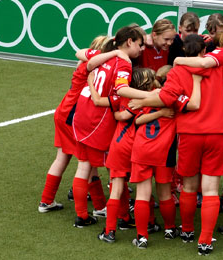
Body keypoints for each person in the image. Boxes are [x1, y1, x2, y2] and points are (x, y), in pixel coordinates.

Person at [129, 34, 223, 256]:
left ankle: (187, 231)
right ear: (205, 51)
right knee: (211, 190)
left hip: (189, 135)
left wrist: (142, 101)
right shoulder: (221, 69)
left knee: (189, 187)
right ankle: (205, 241)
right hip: (218, 135)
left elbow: (166, 98)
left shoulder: (177, 72)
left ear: (184, 52)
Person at [38, 37, 128, 214]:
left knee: (66, 158)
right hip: (74, 115)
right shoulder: (95, 66)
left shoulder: (86, 64)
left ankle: (46, 200)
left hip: (65, 111)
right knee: (86, 163)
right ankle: (99, 206)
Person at [70, 25, 145, 228]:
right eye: (139, 44)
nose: (141, 49)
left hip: (82, 114)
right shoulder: (124, 64)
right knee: (116, 170)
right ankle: (122, 217)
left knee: (84, 165)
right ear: (129, 42)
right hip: (98, 120)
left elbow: (84, 56)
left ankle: (82, 215)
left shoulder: (104, 54)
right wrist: (151, 97)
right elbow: (121, 89)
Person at [116, 68, 177, 248]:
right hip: (164, 152)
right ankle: (170, 229)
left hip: (142, 150)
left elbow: (137, 121)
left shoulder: (142, 100)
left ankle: (142, 237)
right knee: (165, 193)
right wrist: (162, 113)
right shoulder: (172, 101)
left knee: (143, 194)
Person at [136, 19, 177, 83]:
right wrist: (144, 38)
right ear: (154, 35)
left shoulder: (166, 47)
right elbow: (119, 41)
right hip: (143, 88)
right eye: (166, 39)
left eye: (172, 39)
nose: (169, 43)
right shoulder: (142, 47)